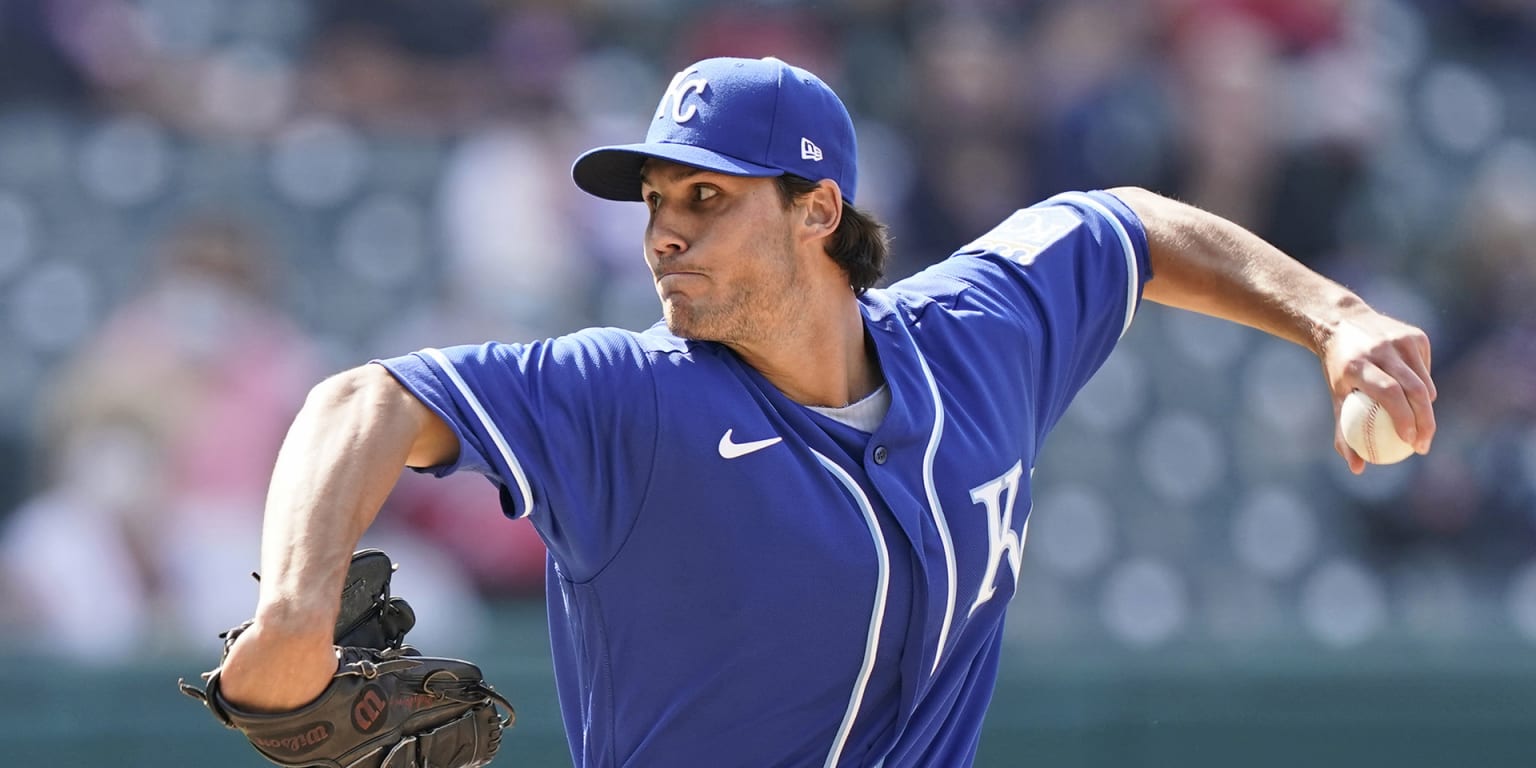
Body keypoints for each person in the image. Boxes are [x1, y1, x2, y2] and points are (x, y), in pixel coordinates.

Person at [214, 56, 1436, 766]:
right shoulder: (629, 400)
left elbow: (1126, 224)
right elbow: (362, 399)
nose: (663, 234)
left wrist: (1336, 319)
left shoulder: (980, 336)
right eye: (652, 202)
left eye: (705, 196)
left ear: (817, 211)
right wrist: (292, 609)